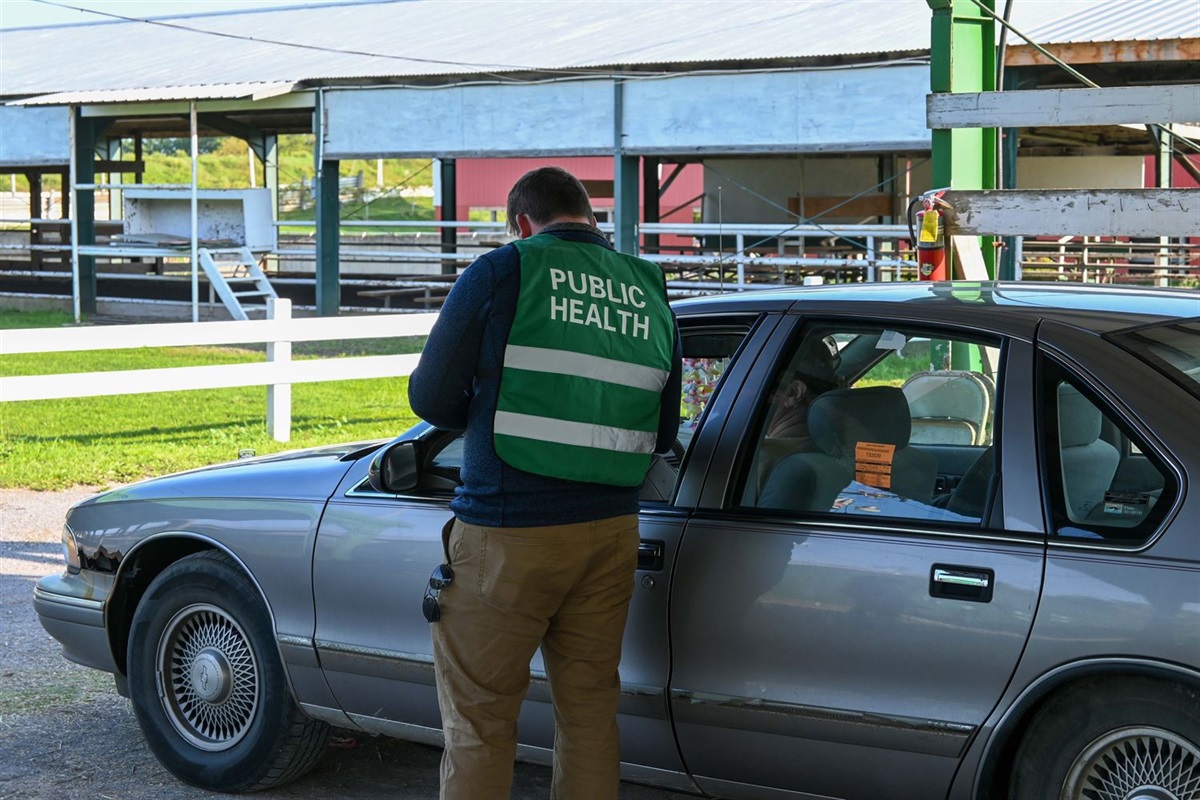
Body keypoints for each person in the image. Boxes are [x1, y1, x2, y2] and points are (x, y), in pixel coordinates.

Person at [408, 166, 682, 800]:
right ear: (591, 218)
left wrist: (484, 408)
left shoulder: (506, 269)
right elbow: (660, 429)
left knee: (480, 723)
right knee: (588, 717)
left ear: (521, 224)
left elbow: (431, 395)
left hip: (508, 530)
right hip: (612, 531)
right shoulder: (647, 286)